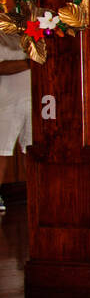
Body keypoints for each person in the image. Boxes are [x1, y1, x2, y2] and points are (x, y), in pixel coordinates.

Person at [0, 31, 32, 213]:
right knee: (1, 151)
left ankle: (38, 194)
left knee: (33, 150)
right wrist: (28, 62)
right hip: (6, 101)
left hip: (35, 100)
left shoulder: (35, 32)